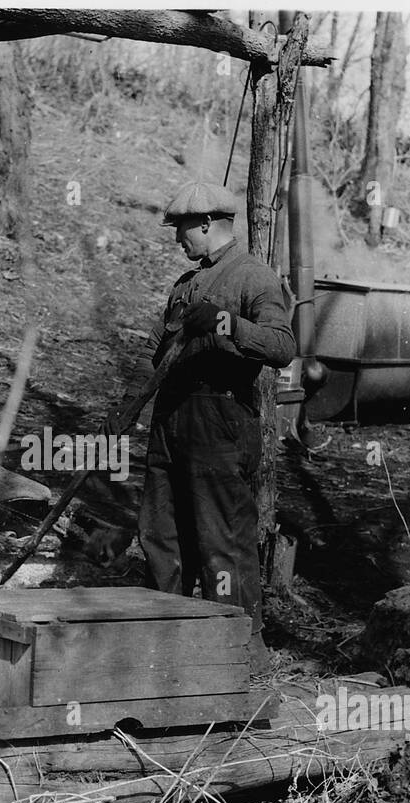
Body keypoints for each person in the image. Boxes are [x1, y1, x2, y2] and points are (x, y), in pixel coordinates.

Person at [129, 180, 296, 668]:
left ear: (207, 224)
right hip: (170, 420)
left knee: (220, 542)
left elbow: (281, 347)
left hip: (220, 423)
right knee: (161, 536)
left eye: (182, 230)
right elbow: (155, 351)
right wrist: (127, 405)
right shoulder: (185, 285)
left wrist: (224, 323)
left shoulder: (254, 278)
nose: (177, 240)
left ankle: (239, 654)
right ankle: (166, 646)